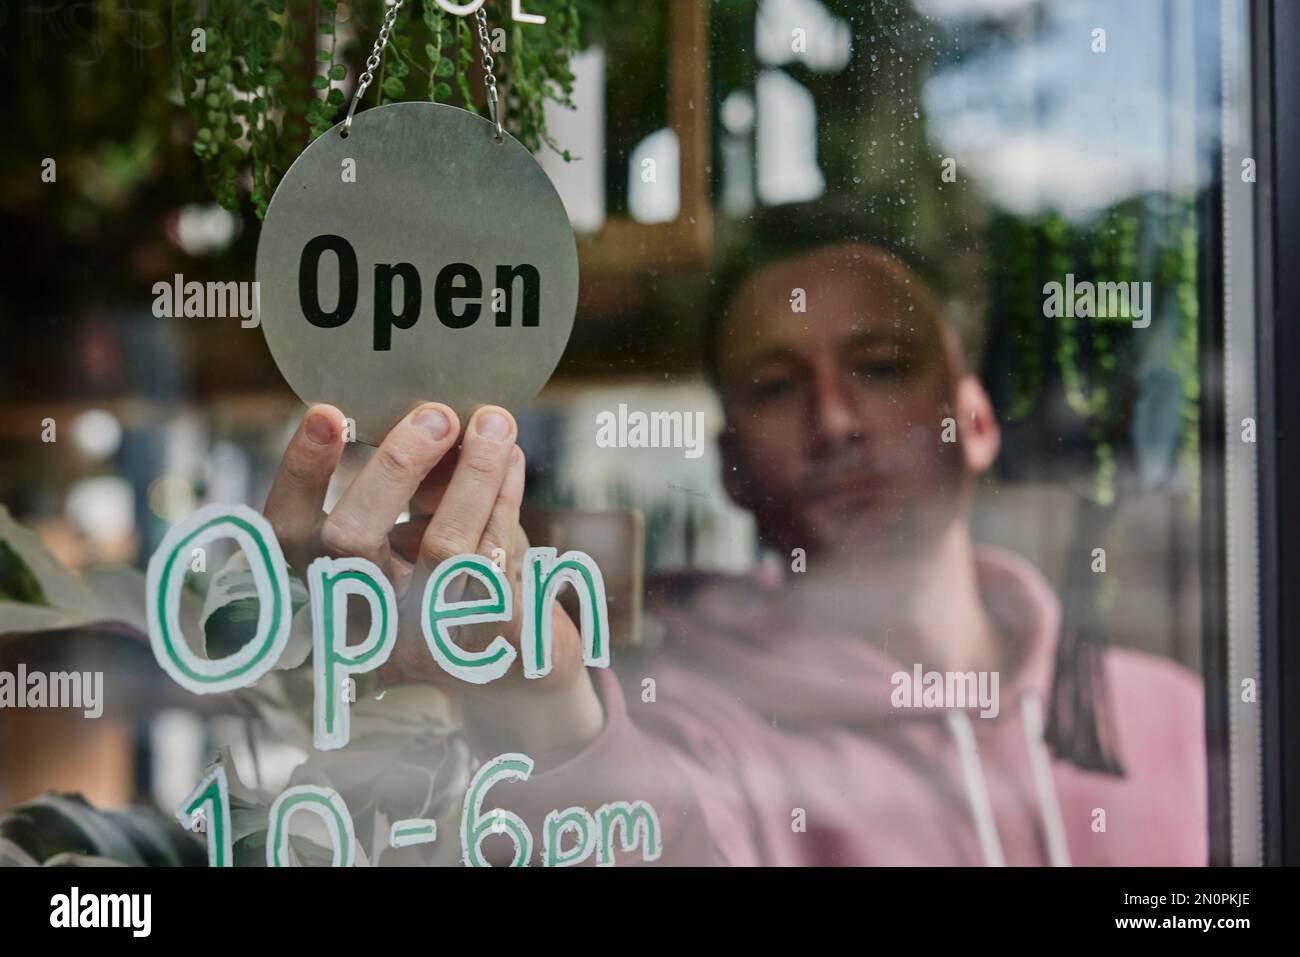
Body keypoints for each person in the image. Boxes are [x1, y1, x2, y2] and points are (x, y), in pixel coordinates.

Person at [262, 241, 1206, 865]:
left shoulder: (1167, 714)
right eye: (776, 385)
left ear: (978, 417)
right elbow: (644, 826)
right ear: (730, 467)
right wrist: (538, 699)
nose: (835, 421)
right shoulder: (691, 718)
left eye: (881, 365)